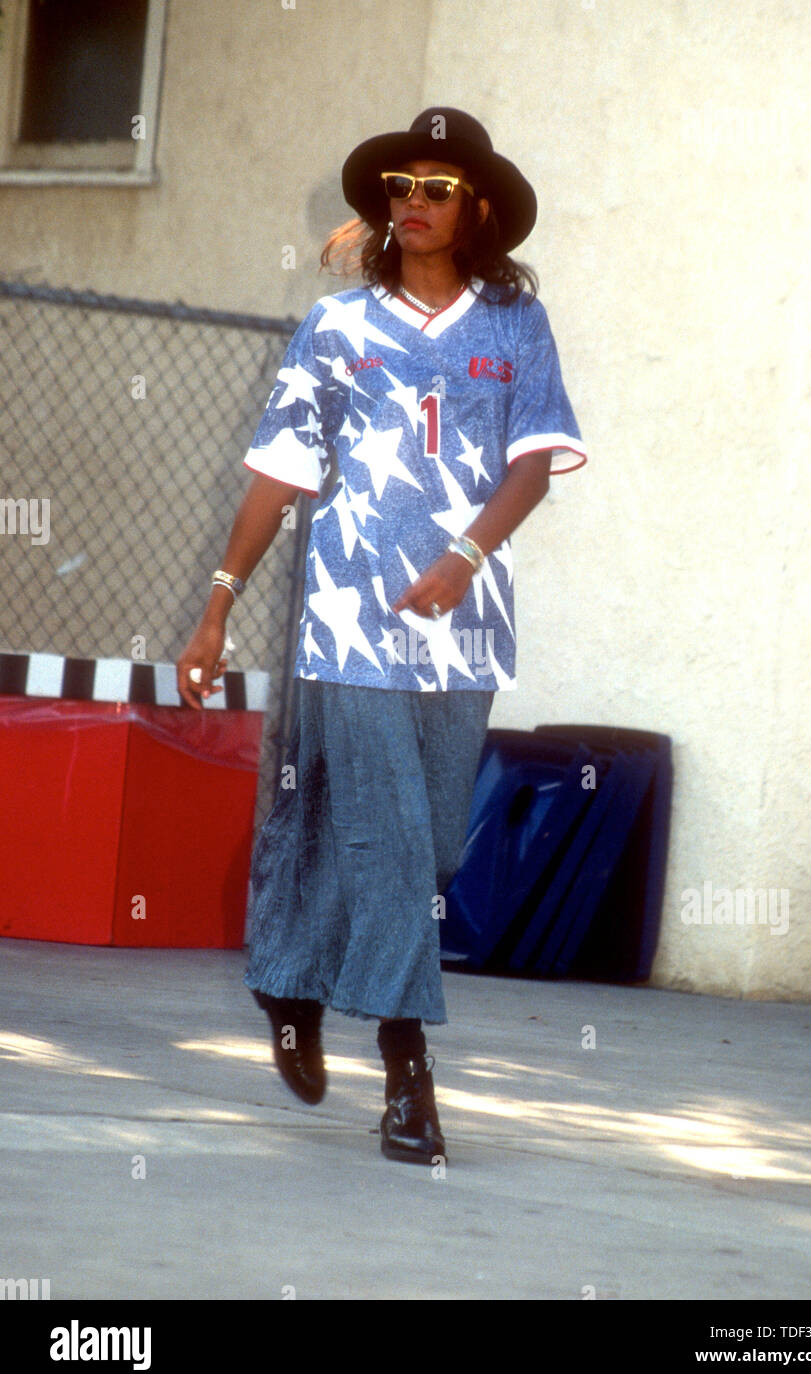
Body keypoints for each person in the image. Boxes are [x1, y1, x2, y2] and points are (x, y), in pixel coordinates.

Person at [176, 107, 586, 1166]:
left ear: (478, 208)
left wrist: (465, 558)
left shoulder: (513, 326)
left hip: (464, 633)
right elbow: (280, 472)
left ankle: (290, 980)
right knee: (394, 838)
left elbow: (532, 464)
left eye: (437, 187)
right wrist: (219, 601)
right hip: (348, 623)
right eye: (400, 185)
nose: (413, 201)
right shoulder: (336, 327)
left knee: (431, 842)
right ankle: (408, 1074)